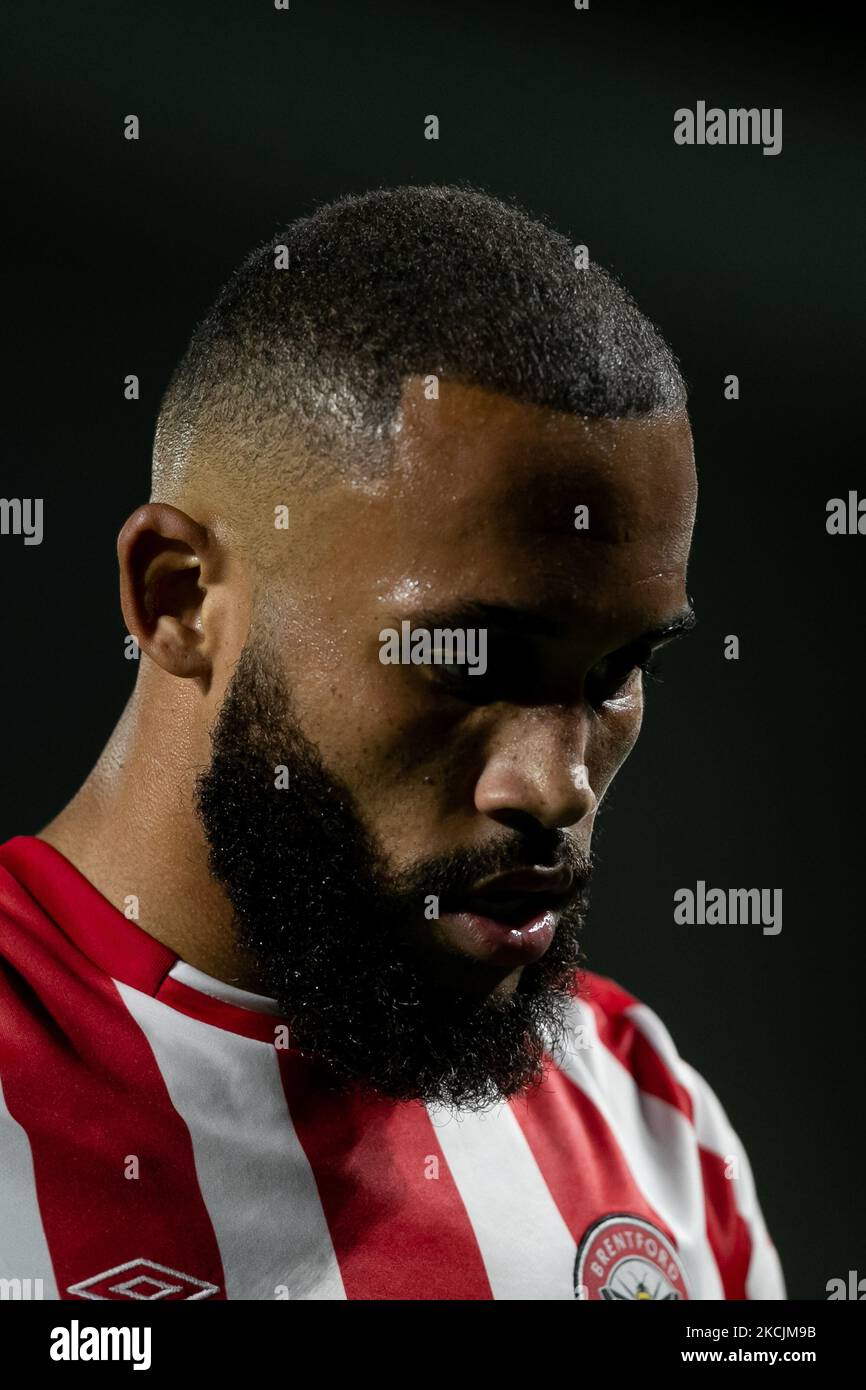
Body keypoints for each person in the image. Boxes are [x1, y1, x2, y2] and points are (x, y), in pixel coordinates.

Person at [0, 184, 784, 1300]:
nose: (555, 787)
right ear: (177, 601)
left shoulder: (654, 1132)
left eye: (615, 673)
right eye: (466, 660)